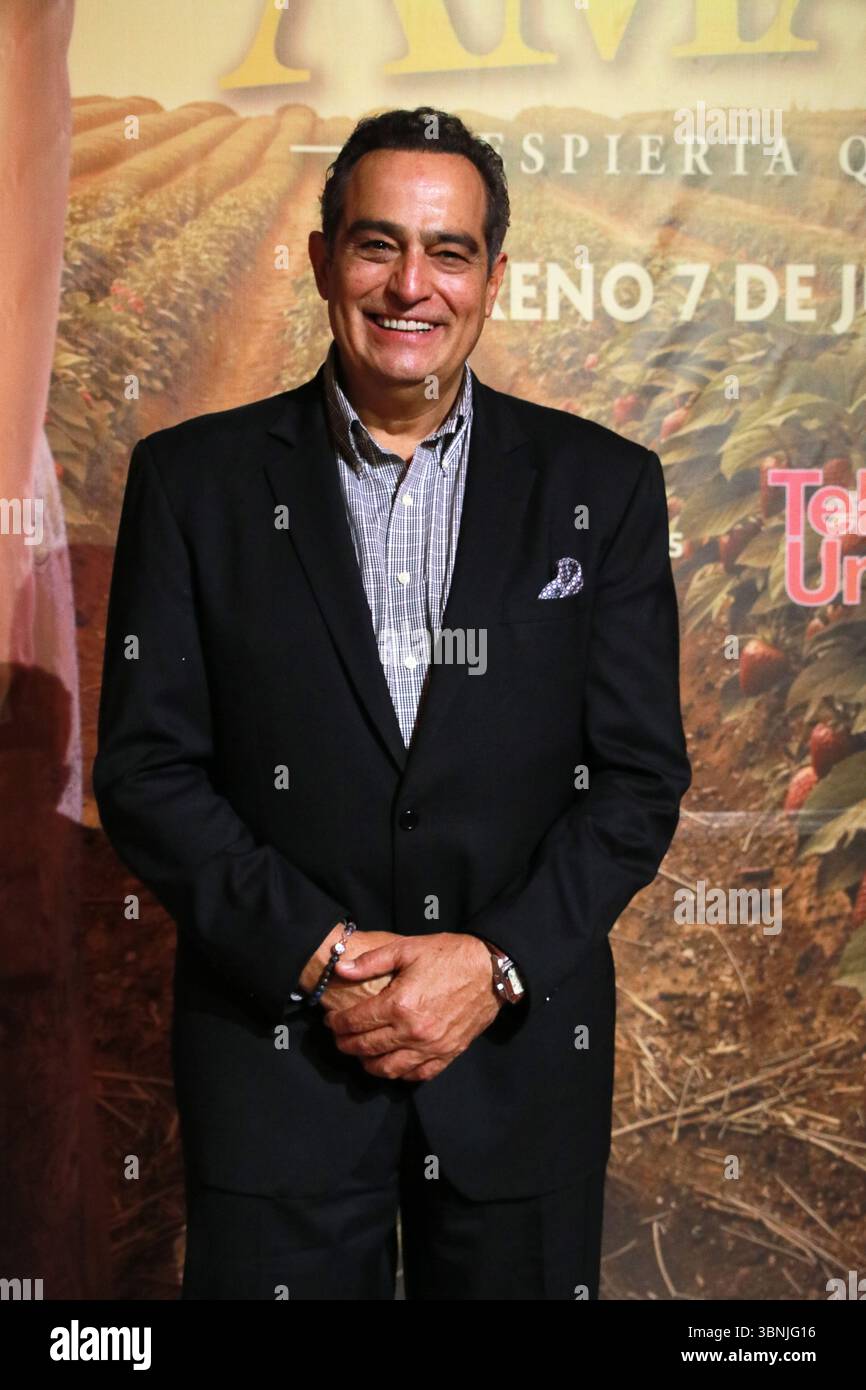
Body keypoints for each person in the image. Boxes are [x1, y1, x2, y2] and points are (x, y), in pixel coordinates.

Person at [93, 105, 692, 1300]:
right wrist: (321, 959)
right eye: (375, 245)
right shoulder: (193, 483)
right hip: (278, 1072)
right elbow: (147, 769)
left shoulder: (601, 488)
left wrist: (493, 963)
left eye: (447, 251)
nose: (408, 284)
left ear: (492, 279)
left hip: (516, 1065)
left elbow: (634, 780)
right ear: (321, 261)